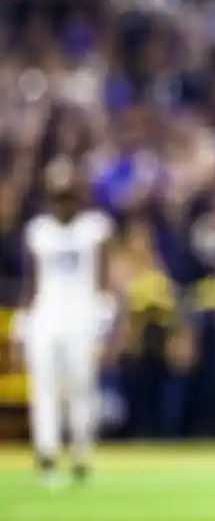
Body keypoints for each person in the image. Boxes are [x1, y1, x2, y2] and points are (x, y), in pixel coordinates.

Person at [18, 159, 115, 484]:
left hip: (81, 317)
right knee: (43, 387)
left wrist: (105, 320)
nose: (64, 203)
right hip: (45, 317)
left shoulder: (94, 229)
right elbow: (32, 282)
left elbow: (103, 278)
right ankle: (46, 452)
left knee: (81, 385)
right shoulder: (39, 231)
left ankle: (81, 452)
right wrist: (23, 323)